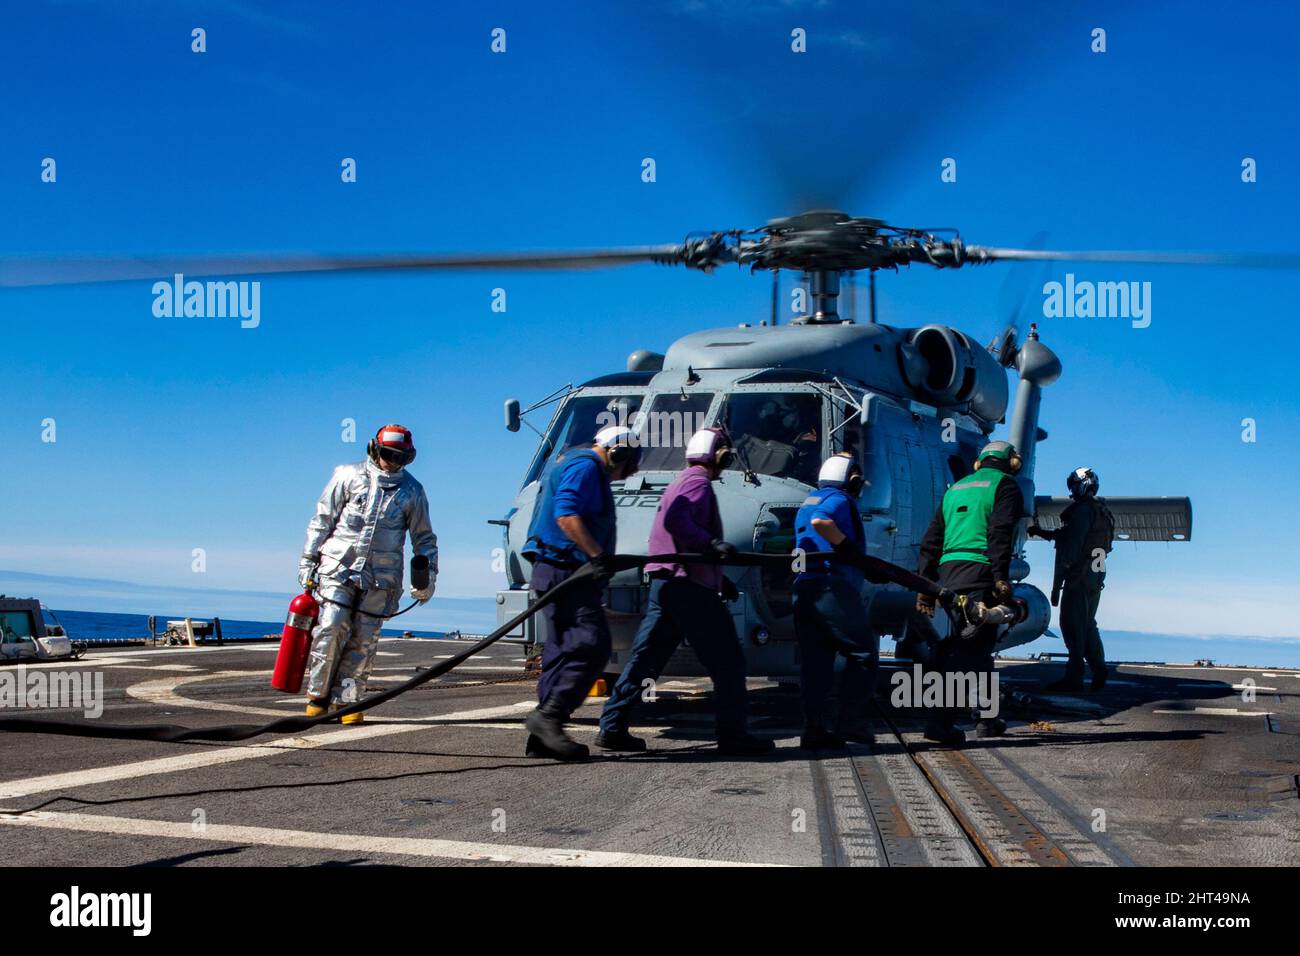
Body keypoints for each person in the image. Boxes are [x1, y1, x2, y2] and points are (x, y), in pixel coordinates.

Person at [596, 427, 774, 757]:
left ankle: (613, 725)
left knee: (644, 660)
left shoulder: (680, 480)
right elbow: (680, 521)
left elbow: (675, 531)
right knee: (728, 663)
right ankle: (733, 736)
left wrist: (721, 581)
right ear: (717, 454)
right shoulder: (698, 482)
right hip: (690, 589)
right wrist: (712, 544)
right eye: (725, 453)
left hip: (668, 584)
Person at [299, 424, 438, 724]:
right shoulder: (347, 476)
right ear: (374, 449)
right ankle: (317, 696)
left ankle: (346, 702)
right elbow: (322, 520)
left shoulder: (413, 491)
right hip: (338, 568)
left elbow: (424, 539)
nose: (393, 461)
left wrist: (427, 579)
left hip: (381, 579)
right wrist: (308, 560)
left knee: (364, 640)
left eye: (401, 457)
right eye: (388, 454)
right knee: (331, 626)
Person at [522, 425, 641, 760]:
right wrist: (596, 554)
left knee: (561, 652)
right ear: (618, 452)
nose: (628, 472)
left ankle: (543, 737)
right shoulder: (587, 467)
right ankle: (550, 718)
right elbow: (566, 516)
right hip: (567, 571)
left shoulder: (572, 463)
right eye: (628, 463)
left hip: (556, 571)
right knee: (592, 644)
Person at [916, 440, 1024, 745]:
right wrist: (1001, 577)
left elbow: (932, 539)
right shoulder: (1006, 486)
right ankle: (940, 723)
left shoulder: (957, 487)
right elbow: (999, 533)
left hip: (949, 574)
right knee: (969, 651)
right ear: (1011, 462)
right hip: (981, 571)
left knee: (974, 645)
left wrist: (925, 586)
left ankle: (987, 718)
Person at [791, 453, 878, 750]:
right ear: (850, 479)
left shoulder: (807, 500)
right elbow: (822, 522)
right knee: (863, 653)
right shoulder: (839, 500)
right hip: (831, 588)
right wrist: (848, 549)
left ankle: (813, 729)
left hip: (803, 590)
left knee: (816, 663)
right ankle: (851, 722)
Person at [1029, 467, 1115, 692]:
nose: (1072, 490)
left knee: (1071, 625)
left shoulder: (1081, 511)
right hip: (1096, 576)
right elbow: (1077, 537)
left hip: (1079, 577)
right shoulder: (1101, 511)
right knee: (1088, 625)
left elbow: (1074, 542)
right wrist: (1043, 533)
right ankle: (1098, 668)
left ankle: (1074, 677)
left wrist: (1064, 572)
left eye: (1074, 485)